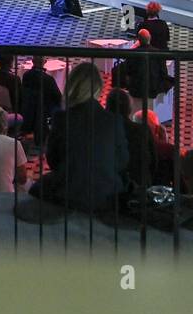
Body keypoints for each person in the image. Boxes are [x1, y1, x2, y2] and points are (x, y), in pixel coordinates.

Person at [30, 62, 129, 213]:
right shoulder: (113, 120)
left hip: (70, 192)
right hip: (106, 193)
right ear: (98, 88)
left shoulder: (61, 118)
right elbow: (122, 161)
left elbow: (53, 159)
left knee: (37, 188)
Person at [106, 88, 156, 190]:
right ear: (129, 109)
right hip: (139, 185)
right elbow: (153, 161)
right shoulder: (143, 130)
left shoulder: (100, 129)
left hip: (108, 185)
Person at [19, 55, 62, 145]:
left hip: (29, 108)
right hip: (45, 108)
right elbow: (58, 97)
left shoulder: (26, 75)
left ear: (33, 61)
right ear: (44, 62)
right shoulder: (48, 79)